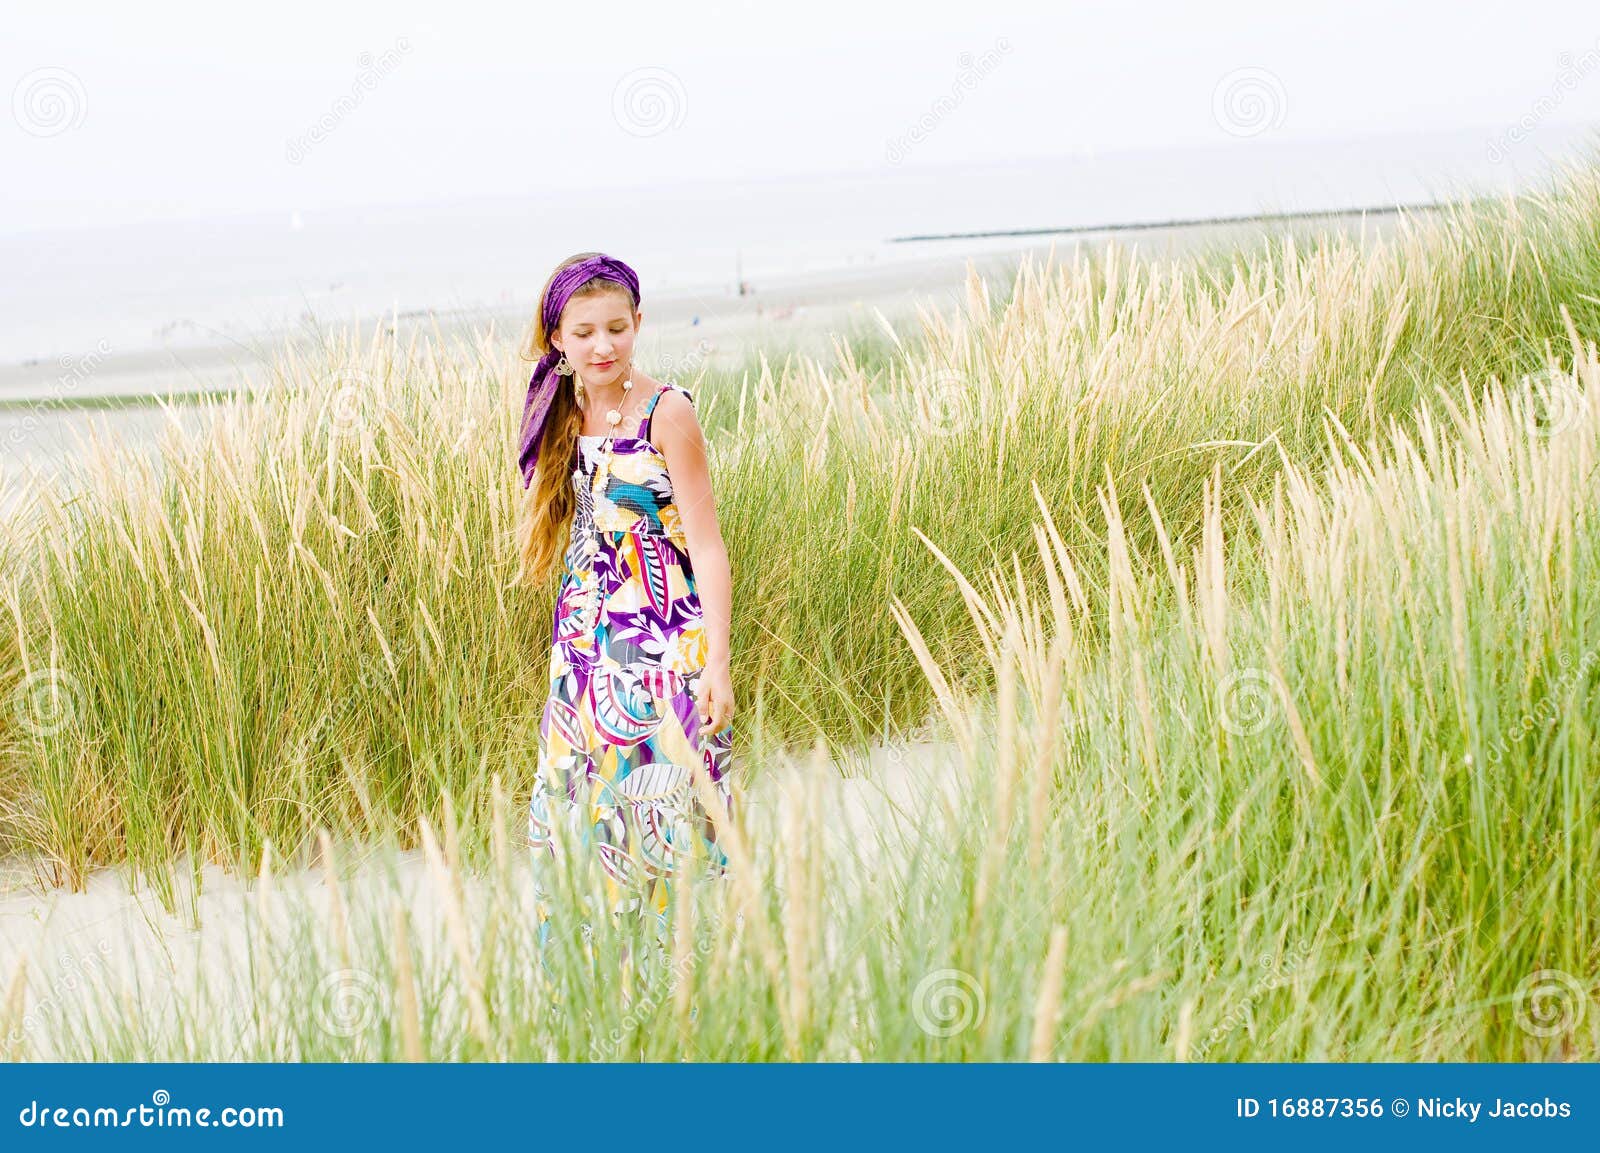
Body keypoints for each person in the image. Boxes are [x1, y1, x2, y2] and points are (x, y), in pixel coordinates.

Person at [514, 252, 737, 969]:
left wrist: (720, 664)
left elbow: (706, 545)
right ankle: (599, 966)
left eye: (617, 327)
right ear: (557, 338)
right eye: (584, 333)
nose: (603, 345)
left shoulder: (666, 412)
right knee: (582, 799)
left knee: (669, 797)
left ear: (638, 324)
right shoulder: (558, 409)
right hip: (584, 639)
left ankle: (685, 967)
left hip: (666, 634)